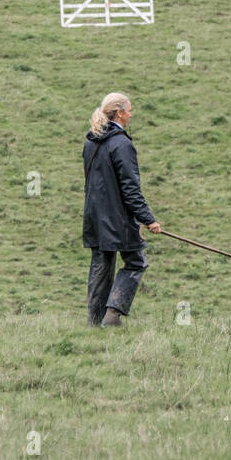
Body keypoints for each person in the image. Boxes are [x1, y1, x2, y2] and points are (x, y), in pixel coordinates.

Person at [82, 92, 161, 327]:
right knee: (136, 262)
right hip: (118, 218)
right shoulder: (122, 144)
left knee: (100, 268)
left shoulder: (91, 142)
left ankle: (95, 322)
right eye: (129, 110)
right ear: (119, 113)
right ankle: (113, 313)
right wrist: (148, 219)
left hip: (95, 216)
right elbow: (131, 188)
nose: (131, 115)